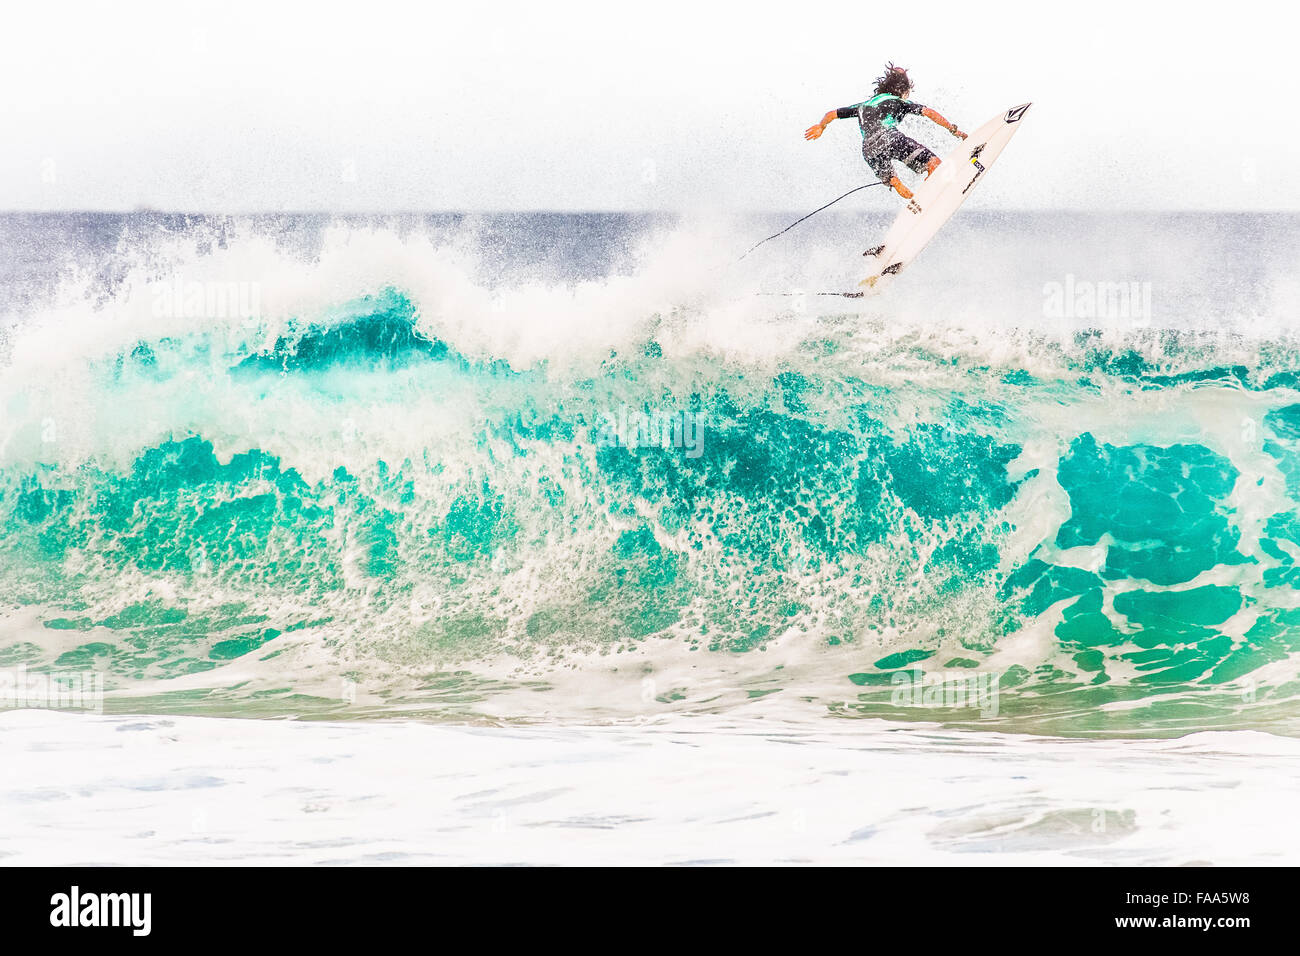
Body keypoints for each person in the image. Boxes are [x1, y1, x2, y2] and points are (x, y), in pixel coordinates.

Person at [804, 64, 967, 205]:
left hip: (869, 151)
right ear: (903, 90)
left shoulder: (863, 105)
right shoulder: (900, 101)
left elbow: (832, 114)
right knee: (934, 164)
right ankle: (931, 193)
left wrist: (821, 126)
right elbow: (929, 113)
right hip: (890, 139)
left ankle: (895, 182)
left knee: (891, 177)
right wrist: (954, 130)